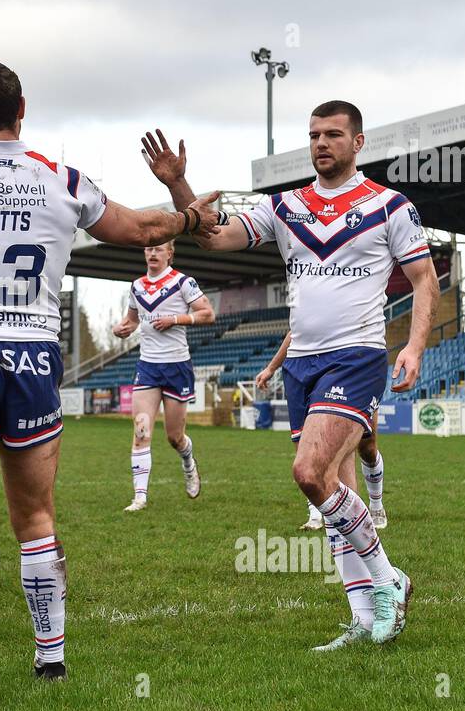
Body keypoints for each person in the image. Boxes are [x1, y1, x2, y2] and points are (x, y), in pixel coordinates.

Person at [0, 61, 219, 710]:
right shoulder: (60, 178)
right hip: (36, 356)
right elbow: (144, 229)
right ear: (23, 109)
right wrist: (186, 213)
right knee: (35, 515)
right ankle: (52, 658)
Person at [142, 102, 439, 649]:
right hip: (301, 363)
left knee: (309, 473)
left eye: (332, 134)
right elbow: (215, 235)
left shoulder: (390, 206)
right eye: (314, 136)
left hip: (356, 357)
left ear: (358, 142)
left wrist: (415, 347)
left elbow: (424, 280)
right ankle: (363, 617)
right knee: (336, 492)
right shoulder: (286, 206)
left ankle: (388, 580)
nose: (321, 143)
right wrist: (181, 186)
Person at [110, 241, 215, 512]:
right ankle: (140, 497)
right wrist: (122, 329)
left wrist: (176, 319)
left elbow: (207, 314)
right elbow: (131, 321)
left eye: (159, 249)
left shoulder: (183, 282)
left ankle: (188, 462)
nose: (153, 253)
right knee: (141, 429)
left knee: (174, 436)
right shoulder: (136, 286)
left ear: (170, 253)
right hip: (148, 366)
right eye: (148, 249)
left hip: (177, 366)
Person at [257, 331, 387, 530]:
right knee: (302, 443)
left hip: (347, 358)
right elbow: (295, 328)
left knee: (366, 448)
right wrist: (271, 367)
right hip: (300, 364)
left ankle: (375, 505)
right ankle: (316, 513)